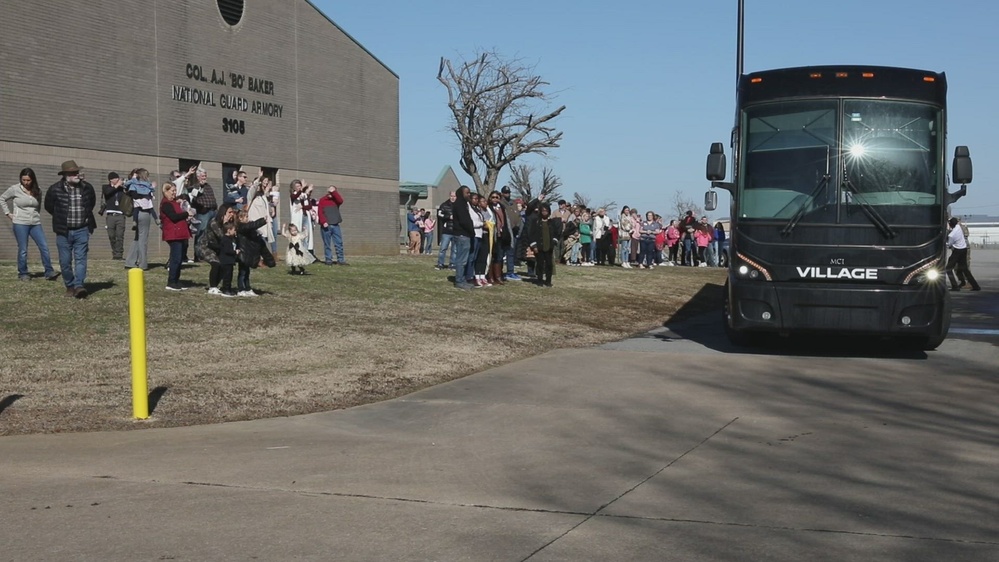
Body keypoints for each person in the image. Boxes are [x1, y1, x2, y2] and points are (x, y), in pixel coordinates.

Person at [43, 160, 97, 298]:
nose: (76, 175)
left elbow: (91, 203)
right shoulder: (55, 189)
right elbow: (49, 207)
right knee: (65, 261)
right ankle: (70, 286)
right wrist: (61, 218)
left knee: (81, 259)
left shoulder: (87, 188)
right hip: (63, 231)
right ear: (65, 175)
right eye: (72, 173)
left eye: (76, 172)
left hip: (82, 229)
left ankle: (79, 286)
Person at [2, 167, 58, 281]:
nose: (26, 183)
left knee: (44, 247)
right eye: (24, 180)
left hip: (35, 223)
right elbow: (2, 199)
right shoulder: (14, 189)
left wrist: (36, 216)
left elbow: (38, 206)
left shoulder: (38, 190)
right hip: (20, 223)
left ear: (32, 179)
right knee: (23, 249)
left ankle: (49, 271)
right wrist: (8, 213)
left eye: (28, 180)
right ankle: (23, 273)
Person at [159, 182, 193, 291]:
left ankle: (177, 281)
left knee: (179, 259)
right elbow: (173, 217)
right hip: (173, 234)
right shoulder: (165, 204)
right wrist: (186, 214)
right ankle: (171, 282)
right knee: (175, 258)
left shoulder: (174, 202)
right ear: (166, 191)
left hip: (180, 234)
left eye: (175, 190)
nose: (174, 193)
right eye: (172, 191)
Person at [124, 168, 158, 270]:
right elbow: (146, 198)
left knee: (137, 238)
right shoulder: (145, 186)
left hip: (137, 213)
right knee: (143, 239)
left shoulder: (133, 186)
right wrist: (151, 188)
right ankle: (143, 263)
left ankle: (130, 261)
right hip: (144, 213)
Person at [198, 203, 236, 295]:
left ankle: (217, 285)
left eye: (232, 212)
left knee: (224, 265)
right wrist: (225, 225)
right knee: (216, 264)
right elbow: (222, 236)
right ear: (223, 213)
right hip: (206, 246)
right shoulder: (214, 222)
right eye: (229, 212)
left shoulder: (229, 224)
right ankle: (212, 287)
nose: (232, 214)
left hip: (218, 248)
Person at [526, 204, 562, 287]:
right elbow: (531, 234)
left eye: (546, 210)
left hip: (549, 246)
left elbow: (557, 233)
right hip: (539, 247)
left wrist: (554, 241)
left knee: (549, 264)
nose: (544, 212)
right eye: (543, 211)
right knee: (540, 264)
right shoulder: (536, 221)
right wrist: (534, 246)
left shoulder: (552, 222)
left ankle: (548, 280)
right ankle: (539, 280)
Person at [189, 168, 218, 262]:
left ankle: (209, 255)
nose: (204, 177)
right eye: (202, 176)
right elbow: (193, 197)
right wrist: (199, 187)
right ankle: (198, 255)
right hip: (203, 213)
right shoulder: (195, 186)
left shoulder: (208, 186)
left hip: (212, 211)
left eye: (205, 175)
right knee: (201, 233)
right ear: (198, 177)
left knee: (210, 234)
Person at [946, 217, 981, 291]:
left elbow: (949, 245)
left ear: (950, 224)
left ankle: (954, 286)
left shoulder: (951, 235)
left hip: (957, 251)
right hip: (964, 249)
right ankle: (975, 286)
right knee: (964, 269)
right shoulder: (958, 227)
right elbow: (957, 223)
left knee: (948, 269)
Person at [451, 185, 475, 290]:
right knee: (462, 260)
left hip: (464, 234)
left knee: (464, 259)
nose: (469, 195)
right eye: (467, 193)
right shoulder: (460, 204)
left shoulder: (464, 204)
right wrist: (471, 230)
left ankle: (462, 279)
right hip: (462, 235)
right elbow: (464, 220)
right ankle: (459, 280)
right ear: (461, 193)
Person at [318, 185, 347, 265]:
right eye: (330, 190)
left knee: (338, 243)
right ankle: (328, 260)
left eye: (333, 191)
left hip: (335, 225)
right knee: (327, 244)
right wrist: (324, 222)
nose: (331, 192)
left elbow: (340, 200)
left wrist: (334, 192)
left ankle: (340, 260)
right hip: (326, 226)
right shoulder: (322, 200)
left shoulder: (336, 201)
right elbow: (320, 212)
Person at [101, 171, 127, 260]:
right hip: (110, 215)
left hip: (120, 215)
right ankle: (114, 251)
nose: (118, 180)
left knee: (120, 235)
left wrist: (124, 186)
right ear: (111, 180)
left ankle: (118, 255)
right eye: (116, 178)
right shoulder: (106, 187)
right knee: (111, 235)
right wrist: (116, 186)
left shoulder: (121, 189)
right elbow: (107, 193)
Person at [499, 186, 523, 281]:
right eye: (505, 193)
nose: (507, 194)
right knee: (501, 253)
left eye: (508, 192)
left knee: (511, 252)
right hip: (505, 231)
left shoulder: (513, 203)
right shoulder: (501, 203)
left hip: (514, 231)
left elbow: (517, 215)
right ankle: (499, 272)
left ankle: (510, 271)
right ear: (502, 193)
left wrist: (517, 225)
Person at [217, 221, 240, 297]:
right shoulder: (225, 239)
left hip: (230, 261)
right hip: (226, 261)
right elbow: (227, 250)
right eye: (234, 230)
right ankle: (225, 289)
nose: (235, 231)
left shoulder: (231, 239)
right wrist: (235, 252)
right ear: (228, 230)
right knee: (227, 276)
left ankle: (229, 289)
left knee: (230, 276)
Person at [435, 191, 457, 270]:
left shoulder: (459, 206)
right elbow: (439, 214)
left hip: (456, 231)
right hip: (447, 230)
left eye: (454, 196)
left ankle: (452, 264)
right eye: (451, 196)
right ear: (449, 196)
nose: (453, 197)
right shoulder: (444, 205)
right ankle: (440, 264)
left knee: (454, 249)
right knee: (443, 248)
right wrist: (448, 217)